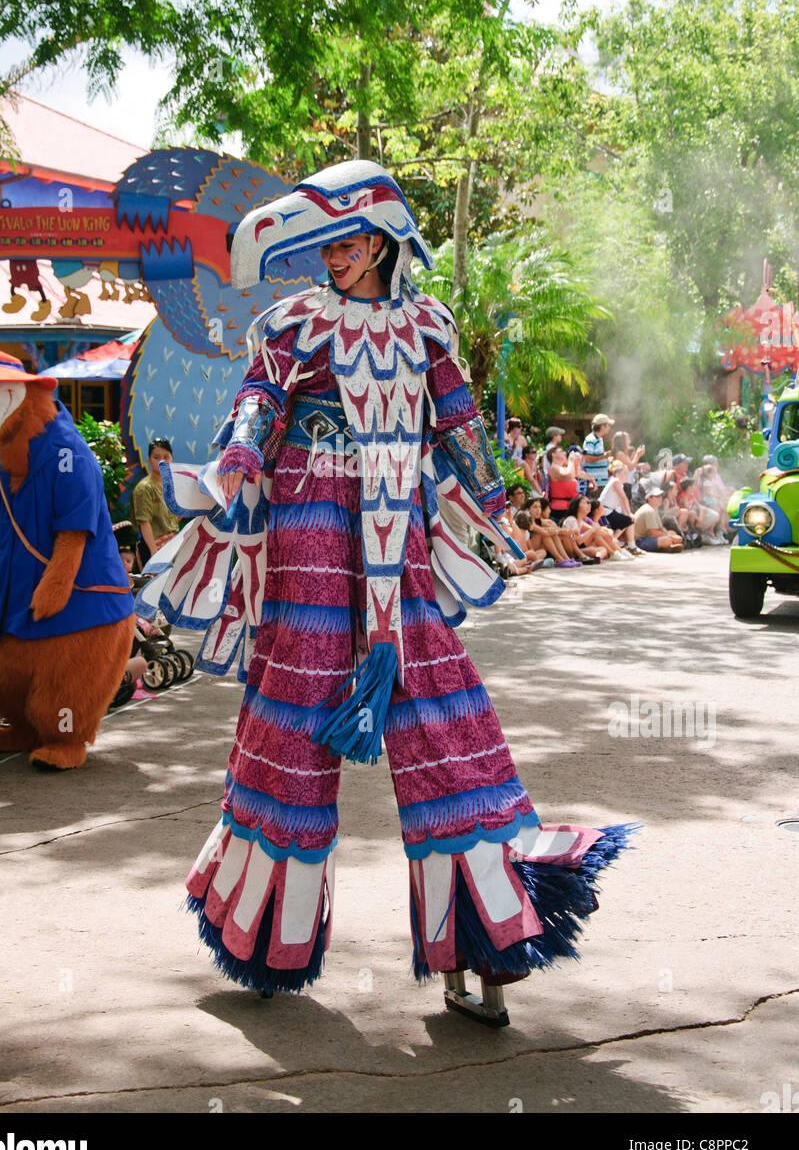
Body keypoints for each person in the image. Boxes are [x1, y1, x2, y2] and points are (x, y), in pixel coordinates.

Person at [144, 160, 633, 999]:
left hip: (394, 549)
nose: (334, 256)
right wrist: (229, 465)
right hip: (306, 532)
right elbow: (259, 402)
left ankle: (485, 949)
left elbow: (457, 422)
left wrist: (494, 501)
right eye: (327, 242)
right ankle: (264, 944)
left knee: (448, 739)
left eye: (349, 240)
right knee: (288, 734)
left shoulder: (429, 326)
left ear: (382, 241)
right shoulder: (292, 321)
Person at [131, 438, 180, 567]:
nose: (162, 461)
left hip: (172, 545)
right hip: (153, 546)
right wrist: (155, 554)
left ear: (172, 458)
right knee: (154, 586)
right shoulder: (144, 488)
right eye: (156, 457)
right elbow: (144, 522)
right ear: (149, 459)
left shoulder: (171, 484)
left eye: (166, 456)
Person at [600, 461, 644, 554]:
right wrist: (628, 514)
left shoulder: (619, 483)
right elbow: (624, 498)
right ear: (617, 474)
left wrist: (629, 514)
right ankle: (614, 541)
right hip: (605, 511)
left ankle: (631, 545)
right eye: (624, 473)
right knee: (628, 520)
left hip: (609, 510)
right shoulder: (615, 481)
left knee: (629, 520)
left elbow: (621, 503)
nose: (627, 475)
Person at [633, 484, 684, 552]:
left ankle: (668, 545)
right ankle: (668, 546)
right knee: (667, 540)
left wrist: (670, 535)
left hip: (648, 538)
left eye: (660, 496)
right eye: (657, 496)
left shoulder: (654, 509)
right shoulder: (649, 510)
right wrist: (671, 537)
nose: (660, 498)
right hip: (640, 541)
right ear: (649, 498)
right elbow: (654, 532)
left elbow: (661, 527)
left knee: (672, 532)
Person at [581, 414, 614, 494]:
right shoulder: (591, 439)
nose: (609, 428)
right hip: (594, 483)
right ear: (602, 426)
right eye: (608, 425)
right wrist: (603, 456)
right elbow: (587, 458)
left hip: (600, 482)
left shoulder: (599, 439)